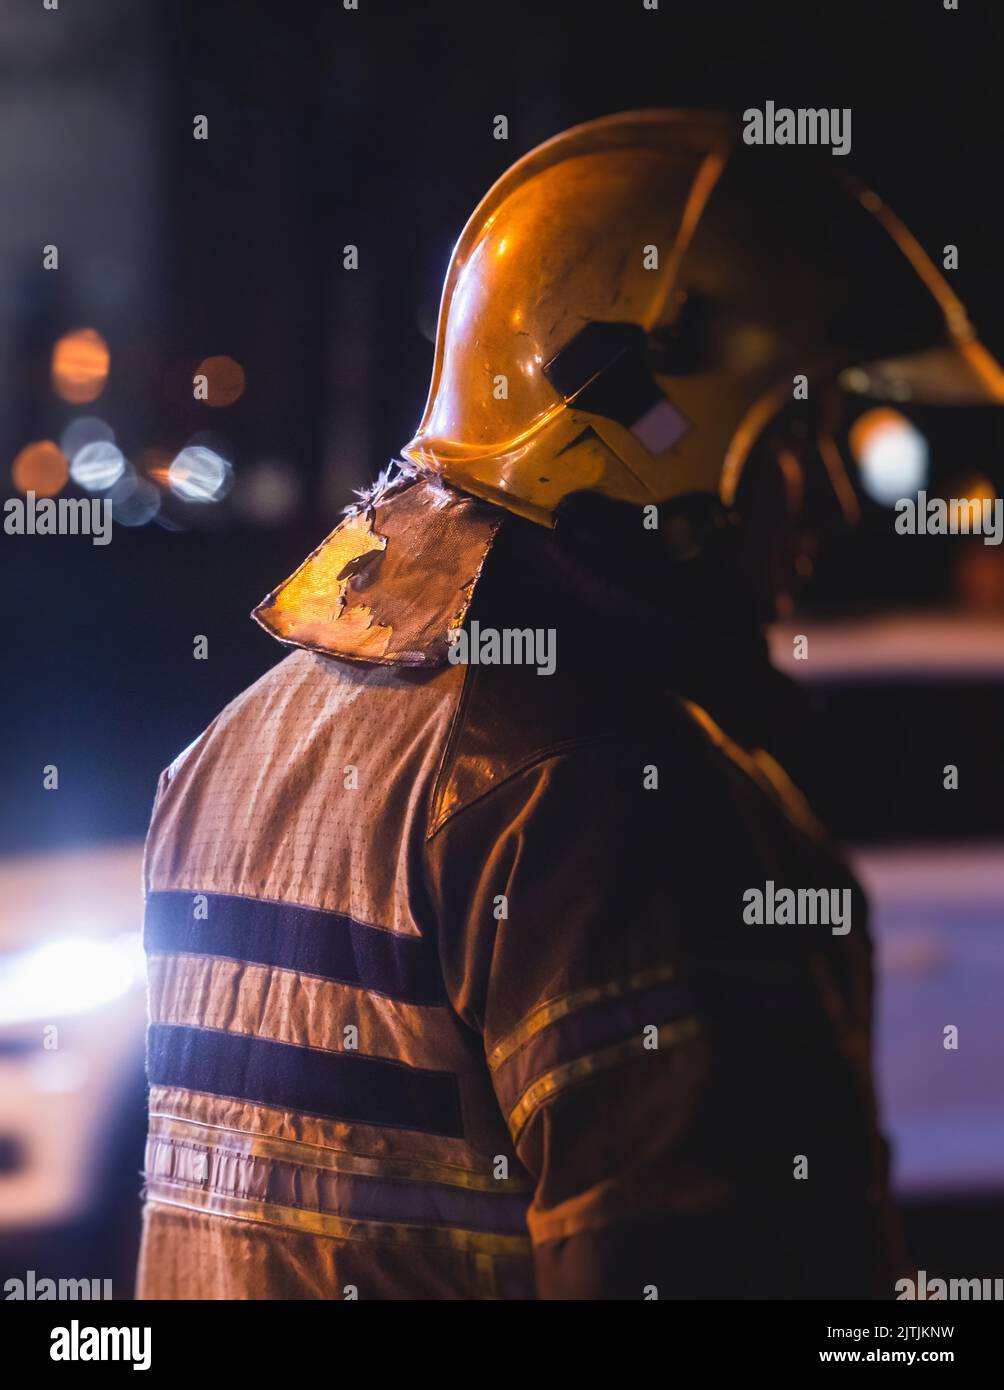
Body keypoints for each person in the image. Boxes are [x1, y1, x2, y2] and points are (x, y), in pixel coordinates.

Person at [137, 110, 1002, 1299]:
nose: (830, 501)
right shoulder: (618, 808)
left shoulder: (228, 755)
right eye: (794, 429)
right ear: (639, 418)